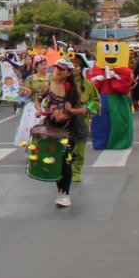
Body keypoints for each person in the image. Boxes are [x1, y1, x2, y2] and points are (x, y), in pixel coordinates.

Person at [37, 58, 87, 208]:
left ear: (69, 73)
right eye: (57, 68)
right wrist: (39, 109)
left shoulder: (73, 89)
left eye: (62, 69)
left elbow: (84, 108)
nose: (58, 71)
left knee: (65, 160)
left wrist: (71, 111)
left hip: (68, 127)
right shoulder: (48, 85)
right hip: (51, 126)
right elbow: (38, 100)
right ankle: (60, 191)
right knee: (53, 159)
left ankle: (65, 193)